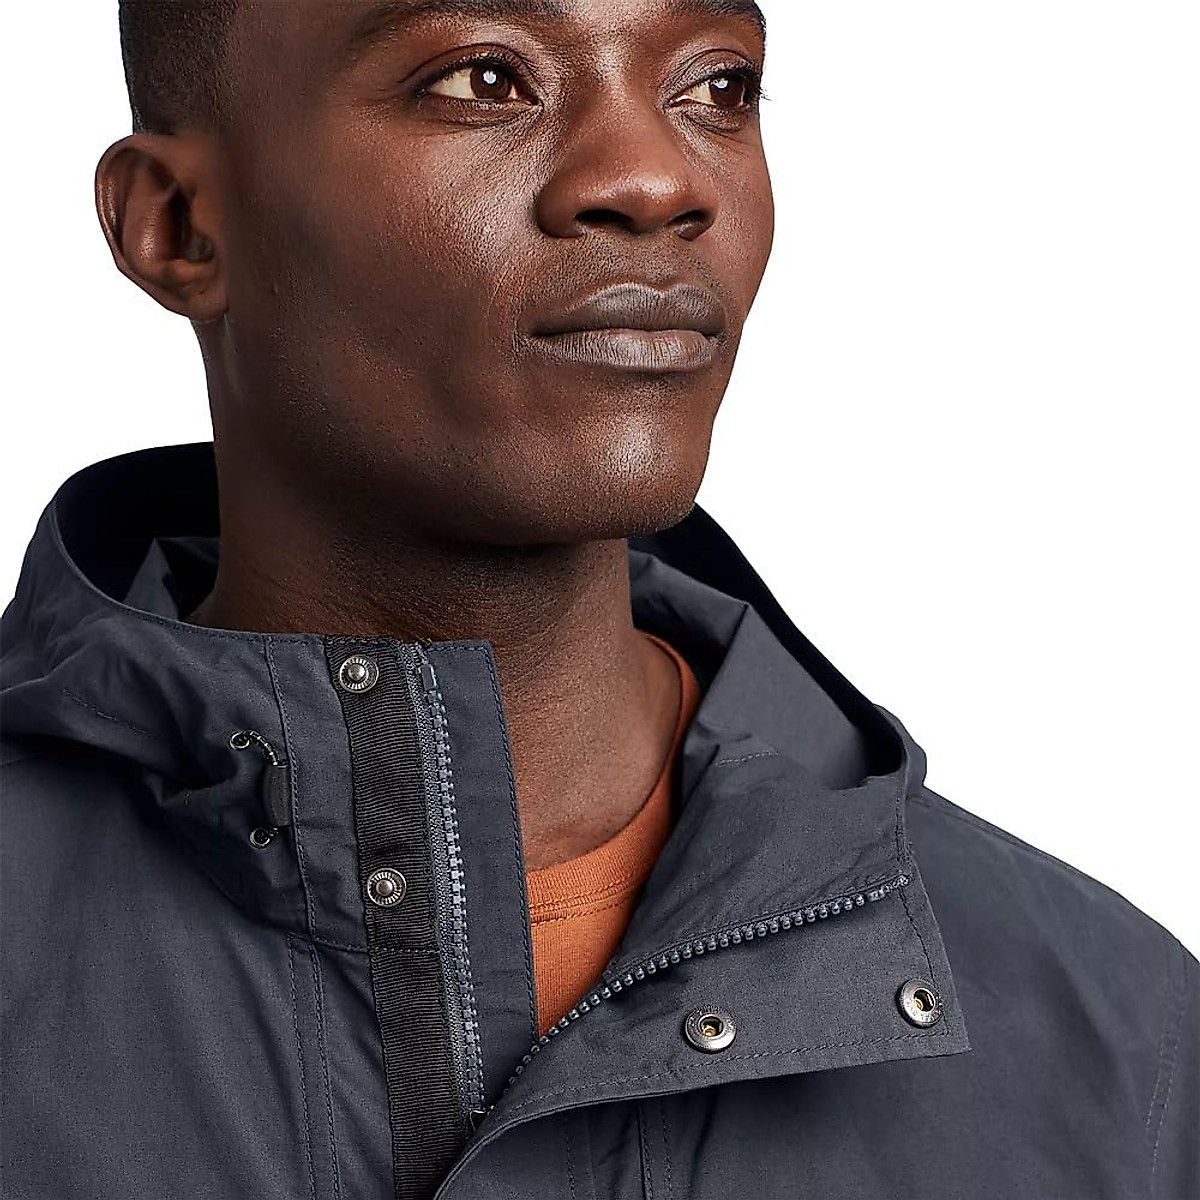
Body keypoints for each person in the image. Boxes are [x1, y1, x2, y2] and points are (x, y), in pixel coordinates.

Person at [1, 1, 1195, 1197]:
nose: (656, 179)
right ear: (177, 223)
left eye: (718, 87)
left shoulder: (1122, 1047)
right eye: (482, 79)